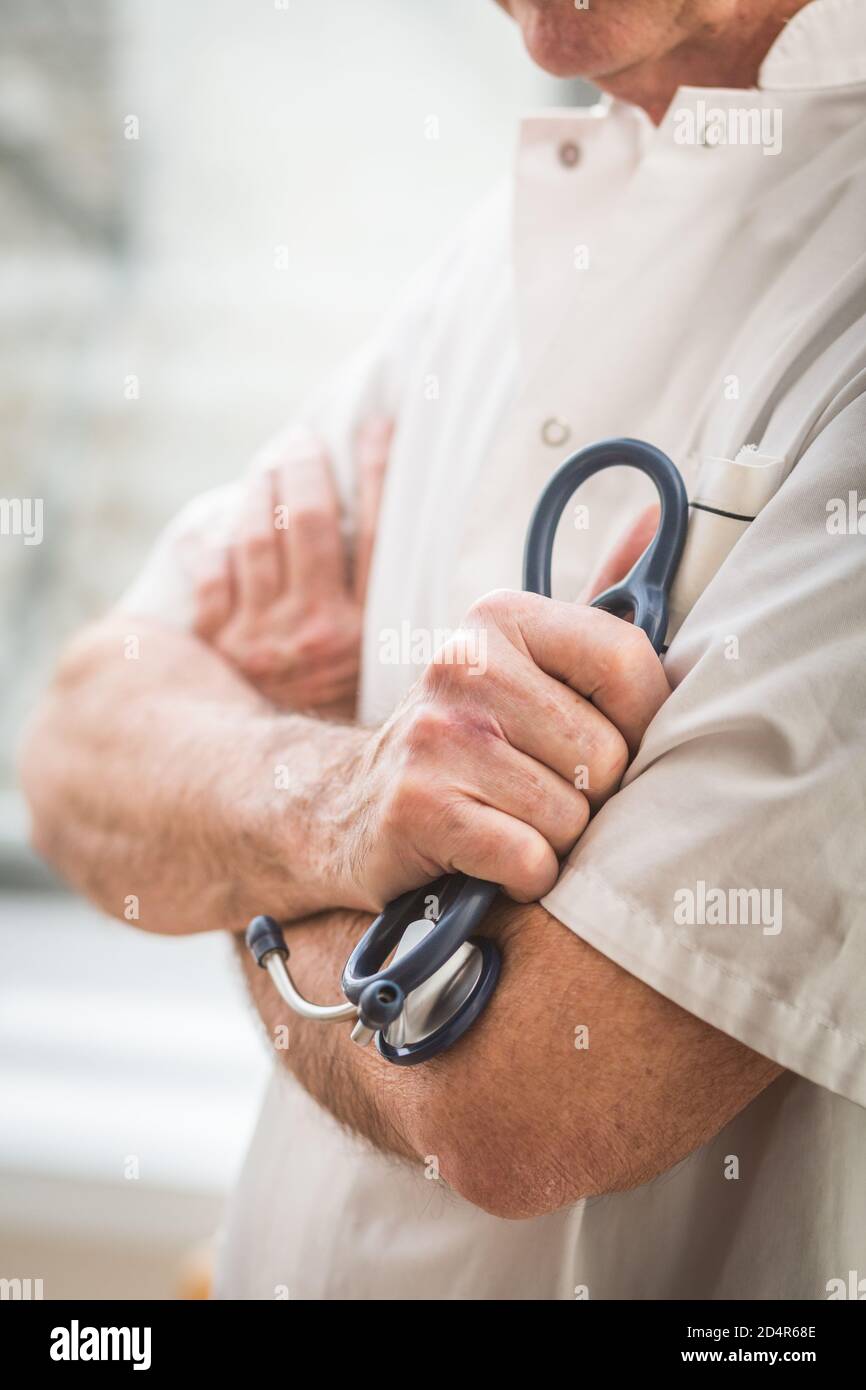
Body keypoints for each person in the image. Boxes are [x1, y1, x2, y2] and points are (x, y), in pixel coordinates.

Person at [21, 0, 866, 1299]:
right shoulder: (515, 238)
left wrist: (237, 847)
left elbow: (519, 1101)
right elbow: (78, 744)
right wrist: (323, 804)